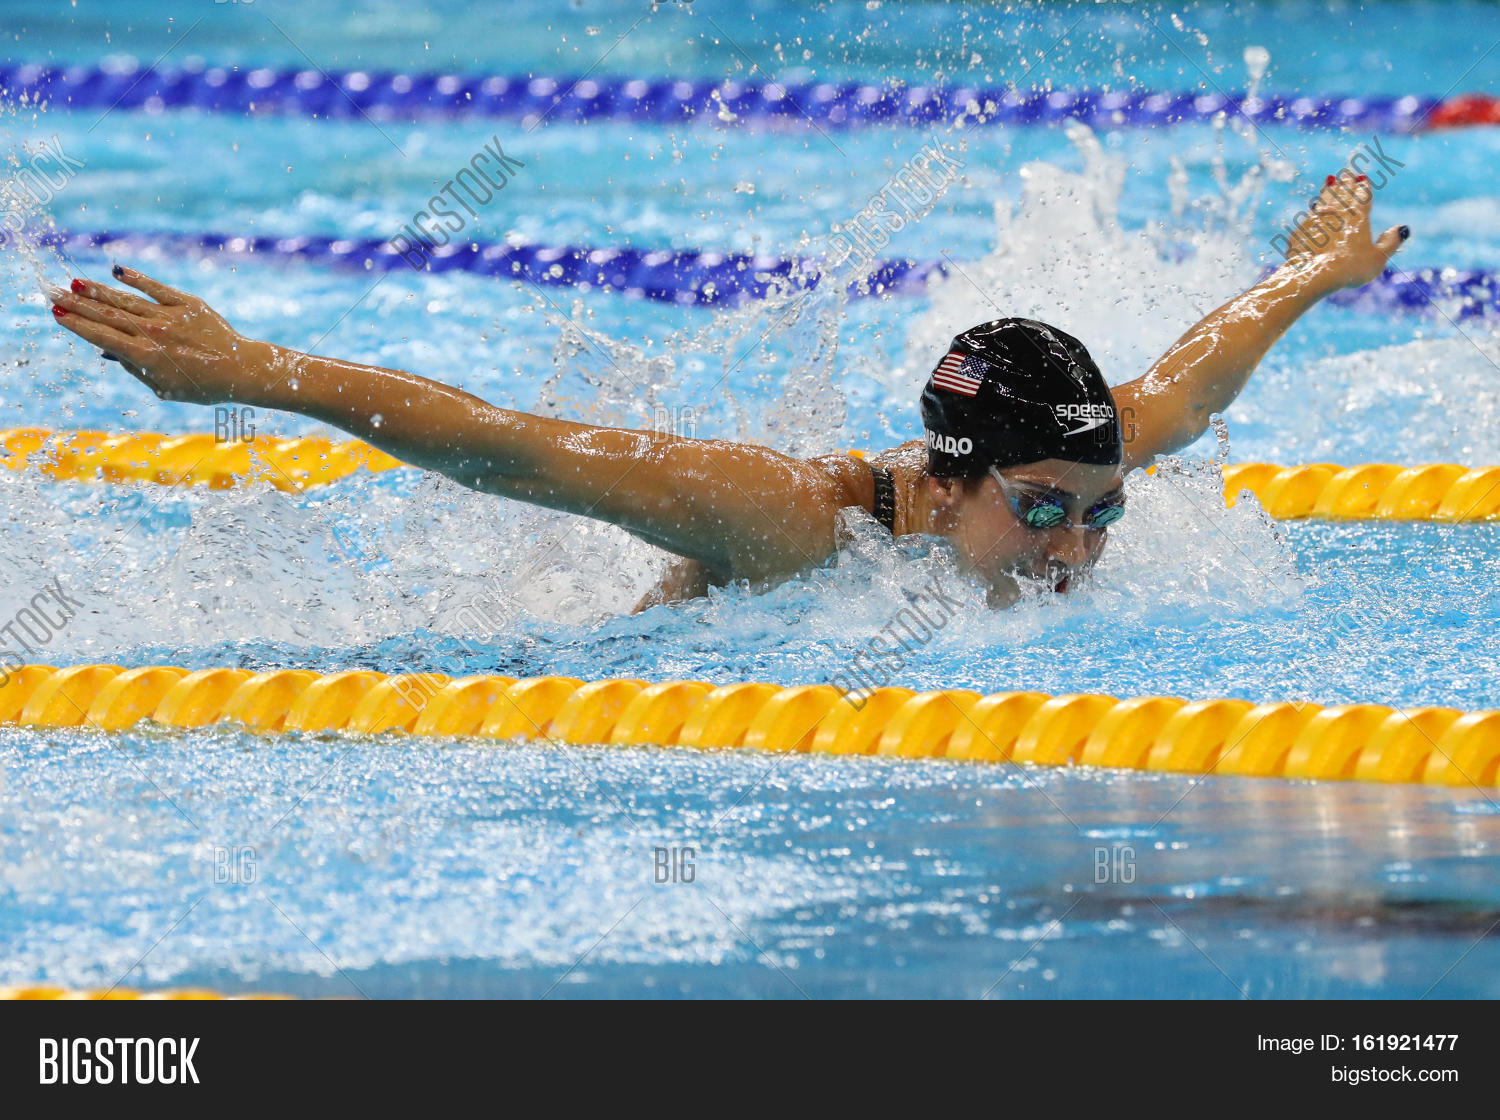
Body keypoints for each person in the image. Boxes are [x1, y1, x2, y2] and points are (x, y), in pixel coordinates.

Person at [47, 172, 1407, 609]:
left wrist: (1309, 276)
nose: (1076, 552)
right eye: (1050, 513)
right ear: (945, 479)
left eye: (1100, 518)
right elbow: (514, 450)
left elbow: (1184, 387)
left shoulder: (1075, 457)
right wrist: (252, 373)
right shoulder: (800, 524)